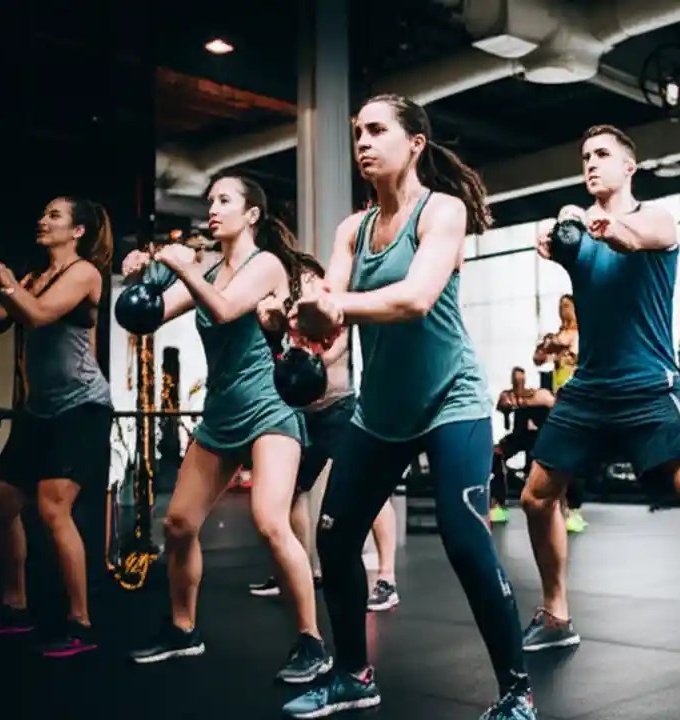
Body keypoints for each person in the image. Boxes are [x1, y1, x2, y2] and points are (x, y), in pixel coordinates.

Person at [275, 93, 535, 719]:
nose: (362, 142)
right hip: (381, 412)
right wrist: (296, 316)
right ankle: (353, 674)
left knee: (464, 538)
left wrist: (331, 307)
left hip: (453, 400)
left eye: (376, 130)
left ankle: (517, 692)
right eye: (356, 132)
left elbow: (416, 297)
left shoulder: (440, 210)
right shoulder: (351, 229)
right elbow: (328, 315)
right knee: (334, 544)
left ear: (415, 142)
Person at [520, 124, 680, 684]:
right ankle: (557, 612)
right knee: (537, 497)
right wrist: (554, 237)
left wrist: (602, 226)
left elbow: (633, 238)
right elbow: (567, 239)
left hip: (649, 385)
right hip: (589, 385)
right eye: (585, 155)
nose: (591, 163)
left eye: (603, 155)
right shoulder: (579, 226)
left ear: (628, 167)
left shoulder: (657, 217)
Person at [123, 174, 331, 684]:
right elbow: (149, 317)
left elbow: (223, 307)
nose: (212, 209)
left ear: (252, 214)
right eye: (209, 201)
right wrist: (144, 277)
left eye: (224, 201)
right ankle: (182, 629)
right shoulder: (211, 269)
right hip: (220, 411)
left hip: (269, 407)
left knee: (269, 520)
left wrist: (185, 269)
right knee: (177, 524)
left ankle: (311, 641)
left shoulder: (266, 265)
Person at [0, 196, 114, 657]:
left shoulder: (84, 273)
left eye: (54, 216)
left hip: (82, 406)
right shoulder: (33, 277)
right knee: (2, 498)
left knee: (52, 508)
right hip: (39, 407)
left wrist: (4, 280)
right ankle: (14, 608)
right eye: (42, 213)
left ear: (77, 231)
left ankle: (81, 623)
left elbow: (39, 315)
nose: (42, 220)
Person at [249, 254, 402, 612]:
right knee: (295, 491)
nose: (304, 287)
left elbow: (332, 351)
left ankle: (386, 578)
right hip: (305, 415)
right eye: (298, 282)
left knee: (370, 491)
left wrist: (300, 345)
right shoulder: (293, 318)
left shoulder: (334, 311)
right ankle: (302, 569)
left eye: (308, 280)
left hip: (340, 409)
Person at [532, 295, 588, 532]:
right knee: (558, 456)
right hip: (559, 401)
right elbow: (538, 360)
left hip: (581, 398)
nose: (564, 310)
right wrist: (546, 347)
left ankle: (574, 509)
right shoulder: (557, 336)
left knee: (577, 458)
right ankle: (561, 507)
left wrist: (563, 347)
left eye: (568, 306)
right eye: (561, 307)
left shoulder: (581, 335)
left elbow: (578, 357)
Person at [491, 367, 555, 524]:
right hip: (519, 437)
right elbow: (502, 410)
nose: (519, 380)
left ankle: (561, 509)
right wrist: (507, 406)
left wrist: (528, 401)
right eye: (516, 378)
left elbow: (553, 404)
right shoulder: (509, 395)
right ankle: (497, 504)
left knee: (544, 468)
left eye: (521, 378)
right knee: (496, 455)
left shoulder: (539, 394)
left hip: (539, 439)